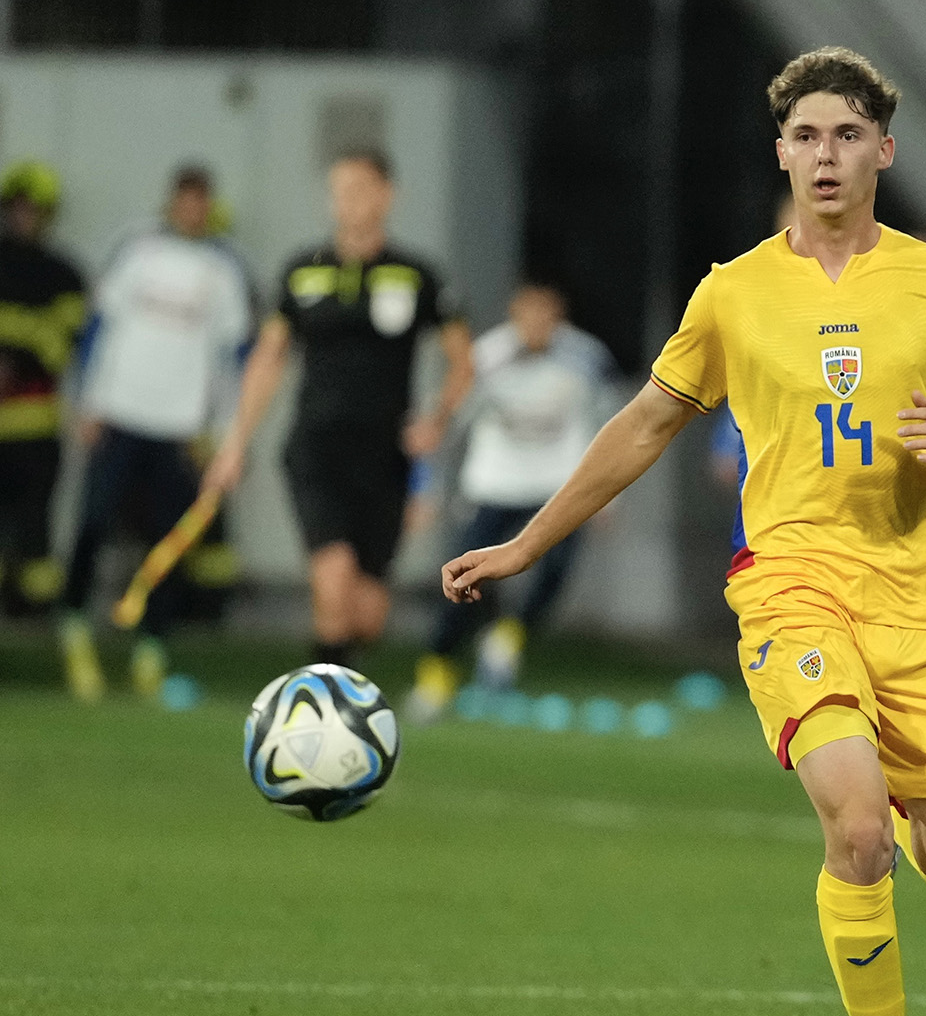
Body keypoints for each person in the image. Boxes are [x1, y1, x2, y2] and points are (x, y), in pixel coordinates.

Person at [439, 47, 926, 1016]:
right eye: (805, 136)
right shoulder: (734, 293)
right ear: (781, 154)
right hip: (793, 586)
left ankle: (887, 785)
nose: (826, 154)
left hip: (919, 602)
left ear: (883, 150)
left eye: (847, 134)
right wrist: (529, 542)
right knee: (852, 826)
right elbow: (646, 422)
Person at [204, 150, 474, 667]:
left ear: (386, 195)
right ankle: (324, 721)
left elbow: (464, 362)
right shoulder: (303, 271)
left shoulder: (417, 274)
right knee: (332, 585)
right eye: (338, 190)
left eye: (358, 188)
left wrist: (435, 420)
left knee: (367, 614)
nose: (346, 201)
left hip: (385, 457)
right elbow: (267, 360)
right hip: (315, 449)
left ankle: (338, 686)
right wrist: (234, 443)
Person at [58, 164, 252, 700]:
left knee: (169, 541)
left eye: (200, 203)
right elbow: (100, 327)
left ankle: (152, 650)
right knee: (93, 524)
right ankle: (74, 628)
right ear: (172, 203)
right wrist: (89, 402)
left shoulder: (224, 269)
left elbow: (234, 357)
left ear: (208, 207)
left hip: (180, 427)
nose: (191, 211)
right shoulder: (137, 251)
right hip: (120, 414)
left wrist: (225, 430)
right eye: (183, 201)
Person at [406, 281, 615, 720]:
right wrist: (426, 488)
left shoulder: (586, 358)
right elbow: (446, 425)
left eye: (546, 316)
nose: (536, 326)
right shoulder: (486, 358)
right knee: (466, 580)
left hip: (557, 486)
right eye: (528, 316)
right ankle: (436, 675)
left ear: (559, 318)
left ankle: (507, 641)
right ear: (513, 317)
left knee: (555, 574)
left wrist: (608, 495)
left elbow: (612, 424)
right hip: (495, 483)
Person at [0, 159, 88, 619]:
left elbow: (67, 347)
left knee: (35, 526)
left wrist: (17, 354)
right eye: (18, 208)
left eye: (35, 210)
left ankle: (35, 621)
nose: (25, 217)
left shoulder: (63, 273)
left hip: (35, 422)